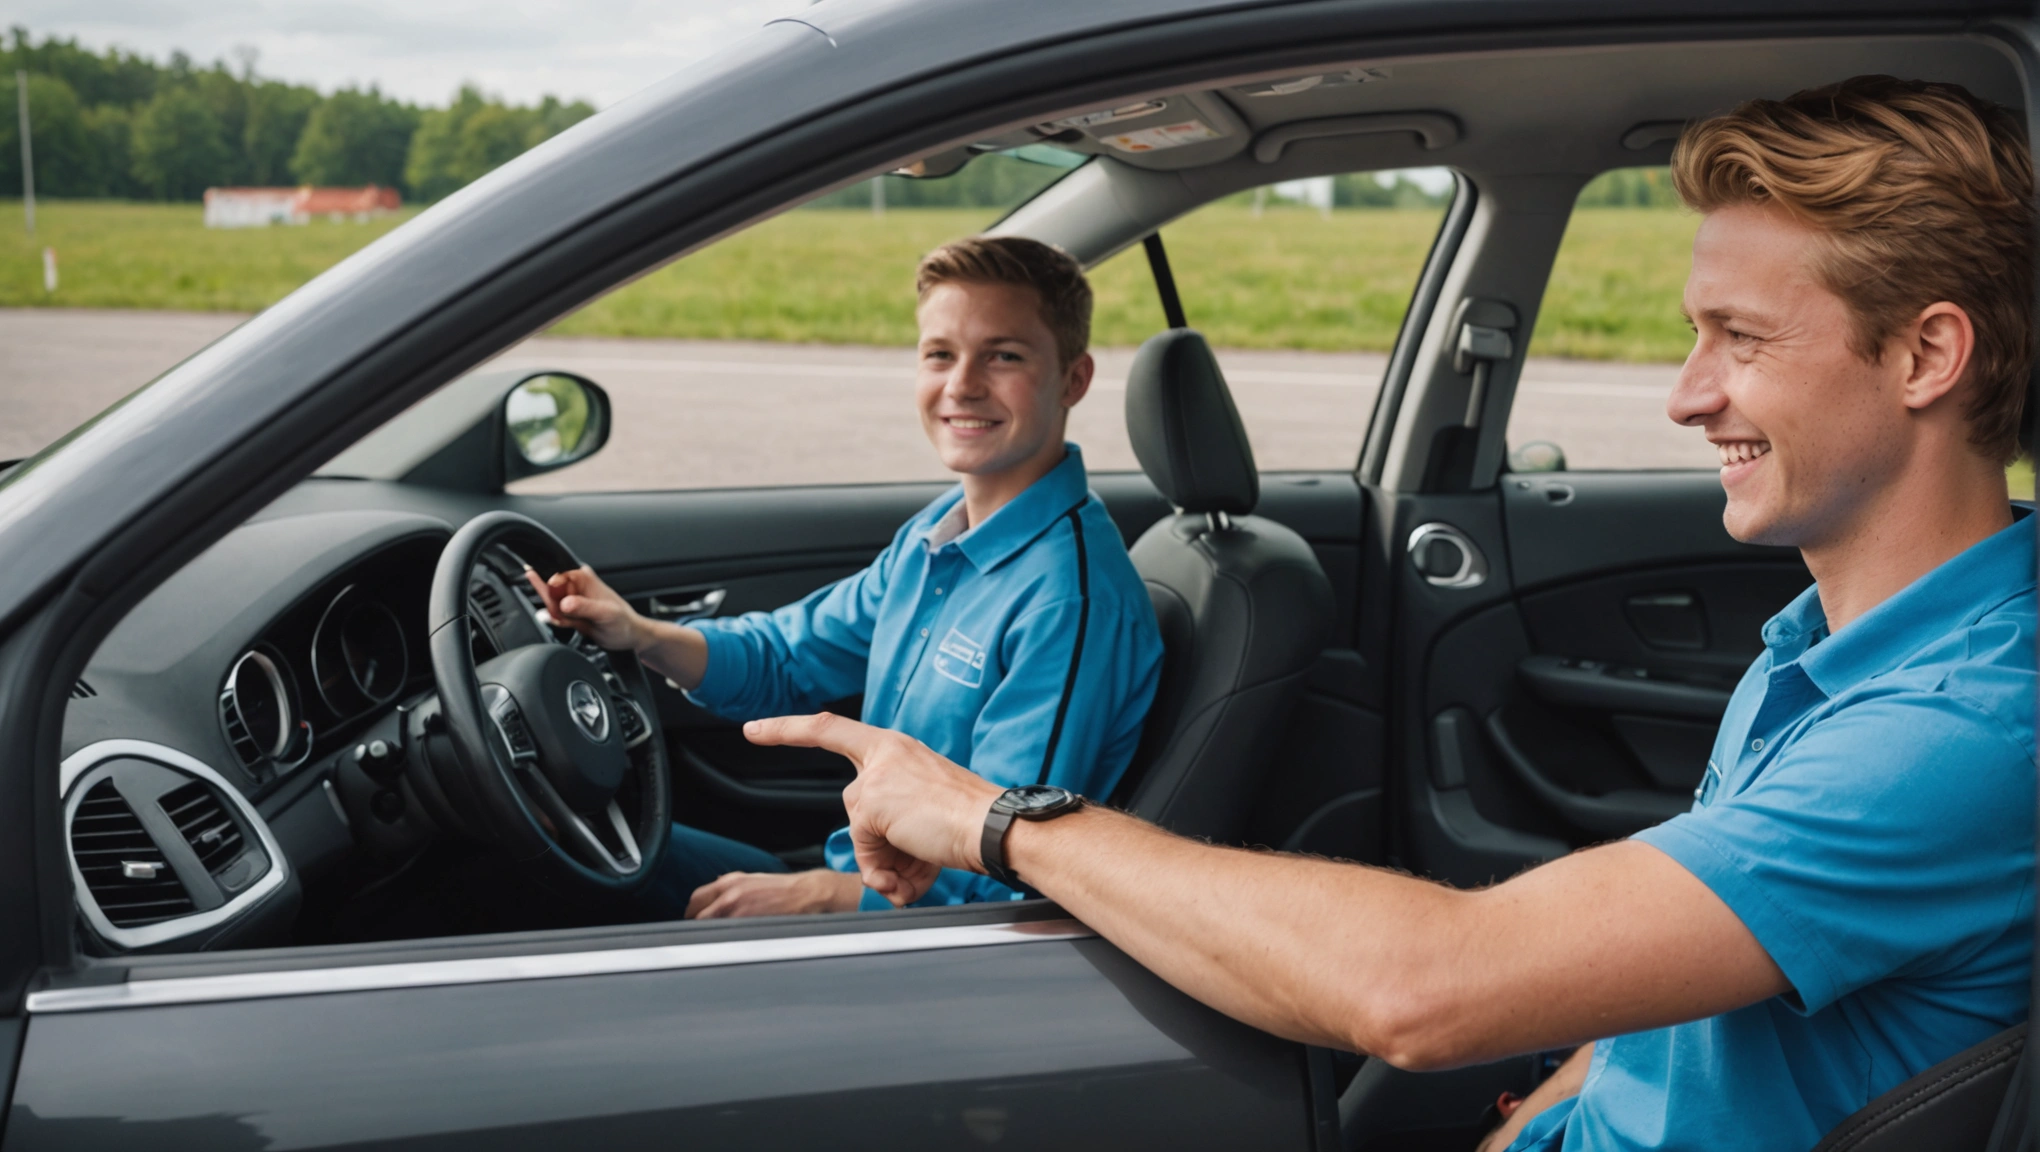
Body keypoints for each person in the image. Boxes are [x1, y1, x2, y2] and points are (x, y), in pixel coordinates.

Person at [736, 75, 2038, 1151]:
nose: (1686, 397)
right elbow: (1685, 970)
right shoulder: (1828, 643)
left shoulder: (1965, 726)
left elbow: (1433, 990)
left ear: (1926, 356)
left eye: (1740, 340)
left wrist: (988, 818)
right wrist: (1538, 1115)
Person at [529, 235, 1163, 920]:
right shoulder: (937, 535)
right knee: (556, 833)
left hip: (920, 938)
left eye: (1003, 355)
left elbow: (1015, 858)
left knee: (551, 858)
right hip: (861, 881)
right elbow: (789, 656)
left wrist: (823, 897)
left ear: (1073, 378)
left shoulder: (1069, 598)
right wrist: (640, 633)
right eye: (940, 354)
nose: (962, 385)